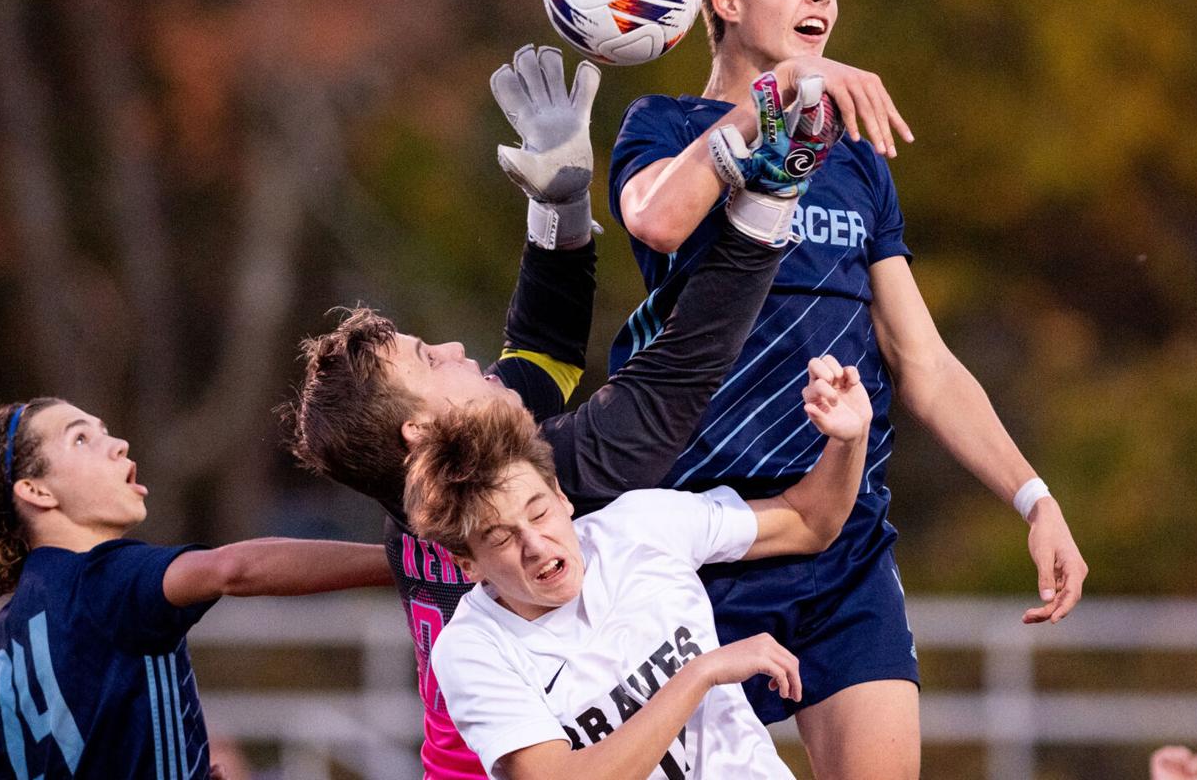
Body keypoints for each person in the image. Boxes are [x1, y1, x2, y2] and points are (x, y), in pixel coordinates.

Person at [607, 0, 1088, 778]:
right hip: (703, 538)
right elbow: (658, 221)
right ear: (725, 0)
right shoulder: (665, 125)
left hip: (841, 539)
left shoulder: (854, 157)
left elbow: (924, 361)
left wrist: (1036, 498)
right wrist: (780, 91)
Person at [288, 44, 839, 778]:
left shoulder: (440, 495)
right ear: (419, 432)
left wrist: (558, 209)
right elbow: (684, 367)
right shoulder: (542, 484)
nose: (454, 347)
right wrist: (772, 195)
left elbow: (541, 352)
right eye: (429, 360)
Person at [405, 355, 869, 780]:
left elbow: (809, 522)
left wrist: (850, 438)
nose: (534, 544)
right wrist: (699, 674)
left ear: (561, 495)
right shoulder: (472, 648)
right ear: (466, 564)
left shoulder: (641, 526)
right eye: (501, 537)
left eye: (539, 511)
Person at [0, 398, 393, 779]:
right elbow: (233, 567)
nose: (118, 444)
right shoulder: (104, 579)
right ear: (36, 490)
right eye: (81, 439)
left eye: (104, 431)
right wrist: (404, 563)